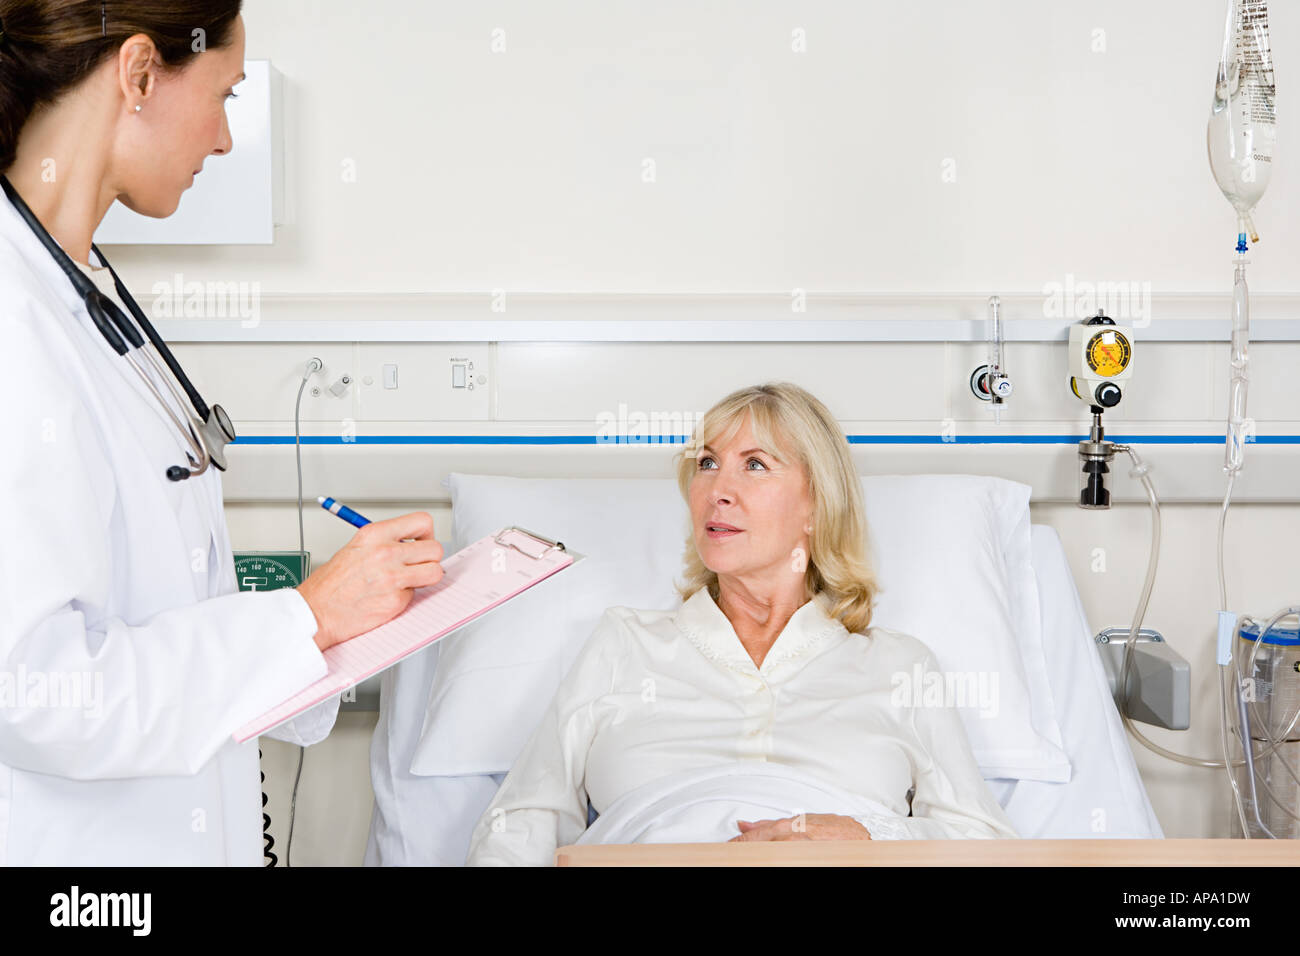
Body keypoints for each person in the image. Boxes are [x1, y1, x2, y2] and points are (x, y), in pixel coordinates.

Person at [0, 0, 443, 865]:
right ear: (138, 72)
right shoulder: (13, 321)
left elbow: (156, 612)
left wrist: (335, 625)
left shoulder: (78, 291)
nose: (225, 139)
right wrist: (300, 620)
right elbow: (37, 691)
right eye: (224, 93)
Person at [467, 383, 1017, 865]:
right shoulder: (626, 643)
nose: (718, 490)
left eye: (755, 465)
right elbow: (523, 824)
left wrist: (870, 836)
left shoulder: (900, 665)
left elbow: (984, 846)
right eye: (706, 463)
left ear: (816, 506)